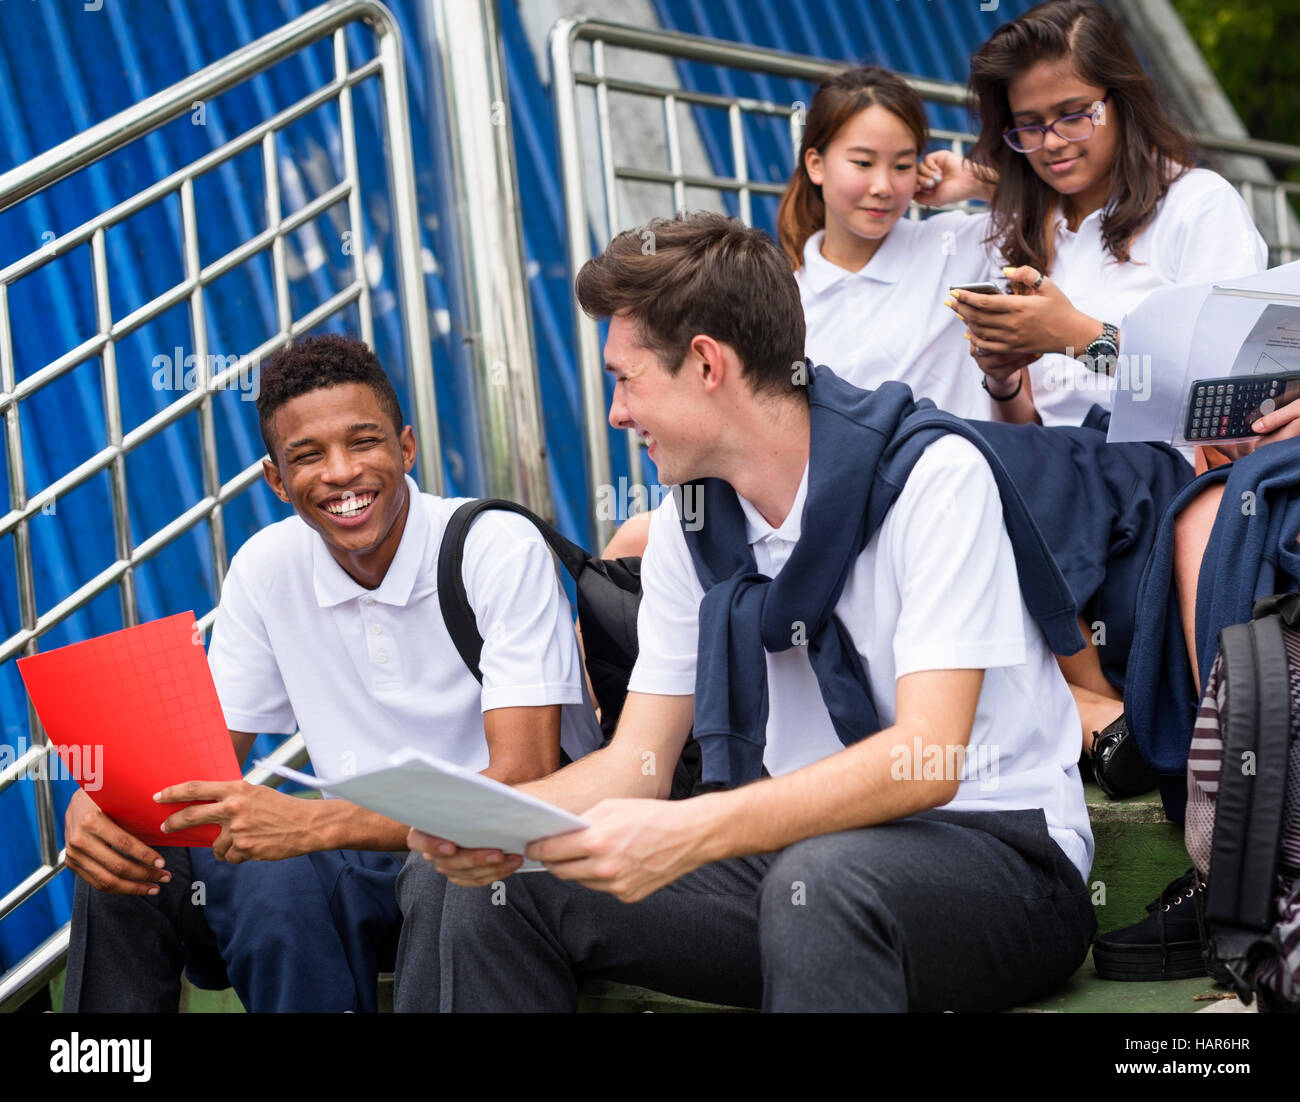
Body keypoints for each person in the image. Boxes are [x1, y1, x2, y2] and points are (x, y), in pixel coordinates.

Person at [411, 212, 1096, 1013]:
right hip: (793, 860)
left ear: (706, 363)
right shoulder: (688, 525)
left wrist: (696, 830)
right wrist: (490, 822)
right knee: (485, 886)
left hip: (1000, 860)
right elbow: (637, 765)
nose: (615, 415)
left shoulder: (931, 479)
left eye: (625, 380)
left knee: (825, 883)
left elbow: (929, 757)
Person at [60, 334, 601, 1012]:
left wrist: (314, 826)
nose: (341, 473)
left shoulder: (493, 548)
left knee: (292, 864)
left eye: (363, 442)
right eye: (308, 456)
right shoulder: (268, 566)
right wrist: (108, 801)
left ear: (406, 448)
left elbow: (519, 779)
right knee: (130, 850)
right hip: (360, 866)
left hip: (490, 863)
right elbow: (198, 768)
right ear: (276, 480)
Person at [920, 0, 1267, 428]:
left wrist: (1081, 338)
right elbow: (1027, 431)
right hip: (1054, 473)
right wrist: (1003, 379)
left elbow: (1231, 394)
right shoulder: (1022, 237)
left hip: (1168, 478)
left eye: (1073, 115)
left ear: (1122, 101)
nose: (1052, 142)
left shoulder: (1198, 205)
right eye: (1029, 124)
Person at [778, 64, 1003, 419]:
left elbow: (1062, 219)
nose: (883, 187)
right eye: (863, 162)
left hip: (962, 473)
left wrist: (979, 183)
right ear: (816, 165)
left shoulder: (955, 245)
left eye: (902, 166)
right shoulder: (785, 301)